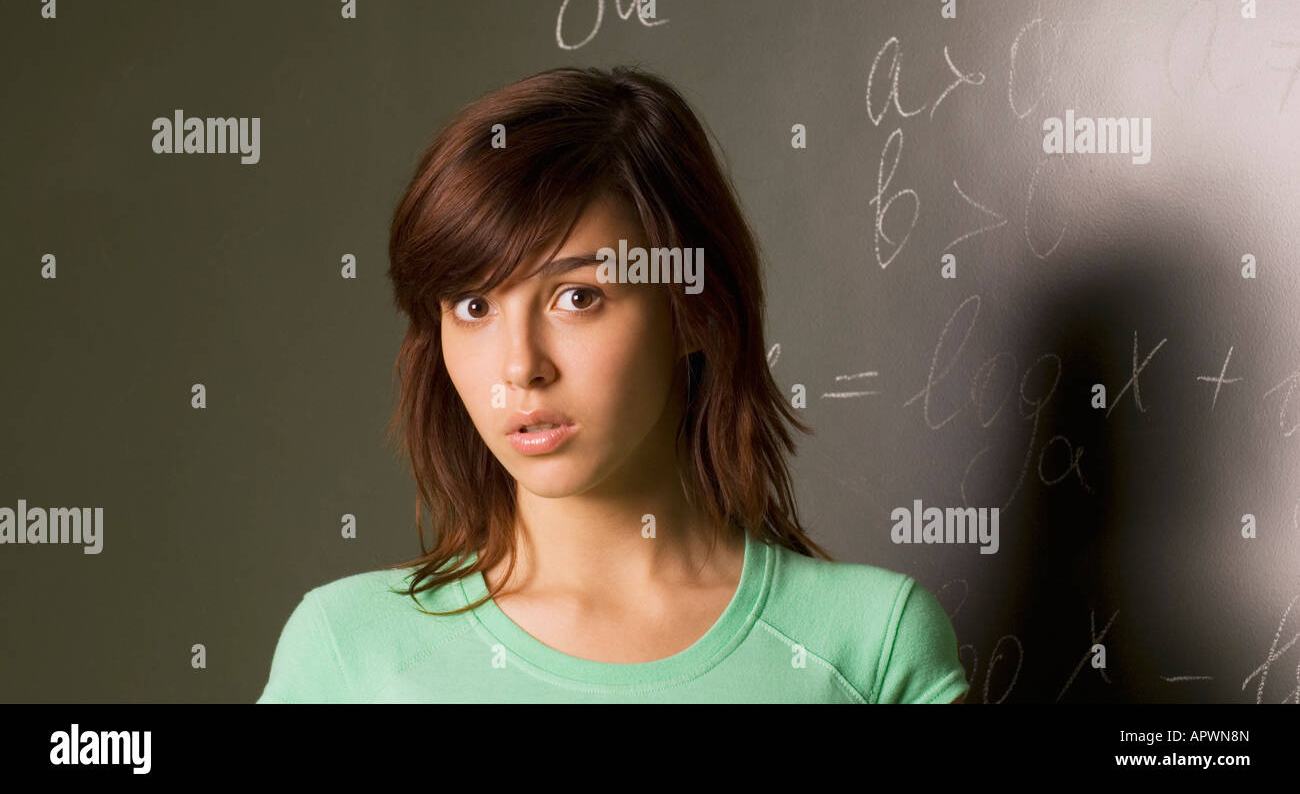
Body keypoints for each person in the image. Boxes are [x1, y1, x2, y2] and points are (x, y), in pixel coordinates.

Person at [256, 65, 969, 703]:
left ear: (694, 309)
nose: (520, 367)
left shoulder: (871, 645)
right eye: (473, 307)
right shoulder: (348, 651)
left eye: (578, 297)